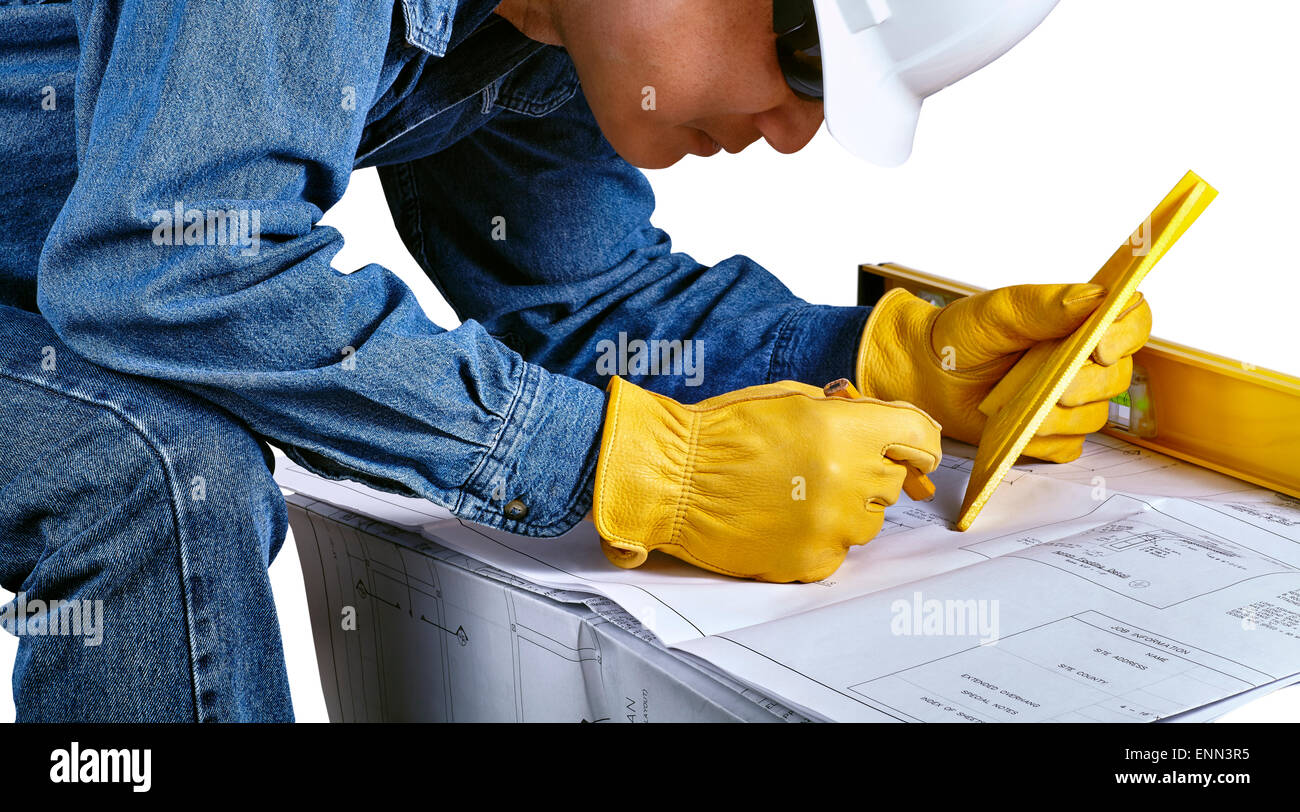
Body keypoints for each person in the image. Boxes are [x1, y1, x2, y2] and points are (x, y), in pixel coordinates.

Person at [0, 0, 1149, 721]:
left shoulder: (546, 26)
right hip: (83, 276)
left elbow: (578, 297)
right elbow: (172, 264)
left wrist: (887, 356)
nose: (799, 128)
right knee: (152, 473)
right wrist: (630, 463)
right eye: (802, 54)